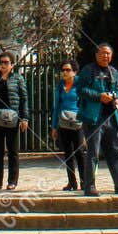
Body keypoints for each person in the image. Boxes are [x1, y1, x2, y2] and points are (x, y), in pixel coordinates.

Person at [74, 43, 118, 196]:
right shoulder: (88, 70)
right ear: (96, 55)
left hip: (110, 117)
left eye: (108, 53)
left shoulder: (114, 72)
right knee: (93, 153)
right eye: (102, 53)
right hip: (93, 117)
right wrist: (98, 96)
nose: (105, 56)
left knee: (115, 151)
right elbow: (80, 89)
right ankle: (89, 186)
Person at [0, 51, 30, 191]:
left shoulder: (18, 79)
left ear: (12, 64)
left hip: (13, 119)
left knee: (13, 152)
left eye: (6, 62)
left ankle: (12, 181)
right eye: (1, 62)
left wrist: (25, 118)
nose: (3, 65)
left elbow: (24, 99)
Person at [51, 60, 85, 192]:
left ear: (75, 71)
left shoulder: (80, 85)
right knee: (68, 154)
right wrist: (54, 126)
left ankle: (84, 180)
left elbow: (84, 104)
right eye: (63, 70)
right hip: (63, 123)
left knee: (80, 153)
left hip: (78, 123)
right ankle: (72, 182)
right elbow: (57, 106)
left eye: (68, 70)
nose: (65, 72)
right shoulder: (60, 86)